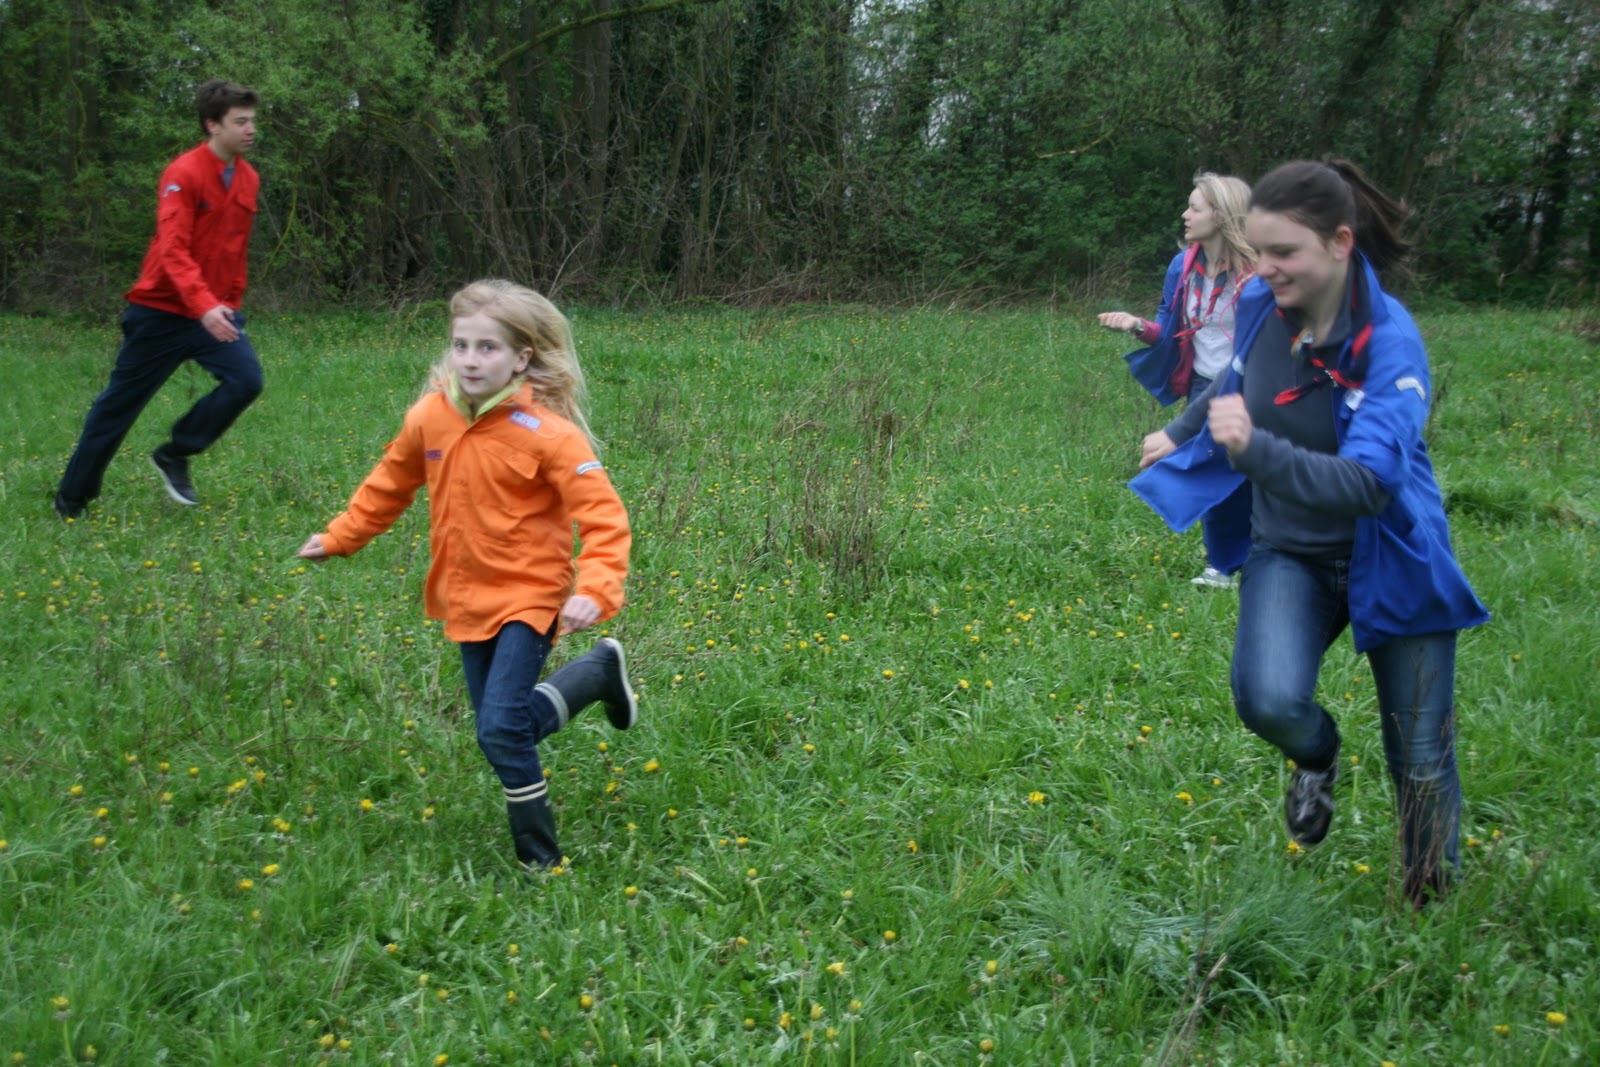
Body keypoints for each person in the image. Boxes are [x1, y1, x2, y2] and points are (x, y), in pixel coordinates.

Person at [1130, 160, 1489, 906]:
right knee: (1265, 697)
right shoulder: (1264, 302)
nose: (1264, 269)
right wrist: (1181, 428)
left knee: (1420, 756)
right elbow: (1229, 382)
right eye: (1259, 252)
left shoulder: (1389, 344)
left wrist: (1253, 449)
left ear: (1339, 243)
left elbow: (1367, 485)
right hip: (1289, 549)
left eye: (1283, 252)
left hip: (1394, 555)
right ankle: (1316, 755)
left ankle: (1431, 909)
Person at [297, 280, 635, 872]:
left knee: (501, 731)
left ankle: (541, 862)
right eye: (461, 345)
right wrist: (339, 536)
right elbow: (390, 483)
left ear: (521, 358)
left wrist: (596, 587)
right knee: (503, 727)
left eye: (488, 348)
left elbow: (604, 516)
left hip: (531, 595)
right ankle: (599, 673)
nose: (471, 360)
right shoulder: (430, 418)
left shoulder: (551, 434)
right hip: (465, 595)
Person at [55, 80, 266, 519]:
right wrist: (204, 305)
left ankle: (176, 452)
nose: (251, 130)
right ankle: (72, 499)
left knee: (246, 380)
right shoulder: (183, 173)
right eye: (240, 121)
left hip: (213, 312)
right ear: (212, 125)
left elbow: (234, 251)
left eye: (252, 121)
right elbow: (173, 249)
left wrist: (227, 304)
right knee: (118, 407)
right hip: (161, 311)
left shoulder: (248, 178)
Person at [1099, 172, 1256, 587]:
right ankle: (1222, 565)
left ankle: (1264, 558)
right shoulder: (1181, 267)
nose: (1185, 215)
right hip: (1205, 385)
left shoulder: (1258, 273)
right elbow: (1168, 330)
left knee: (1250, 469)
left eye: (1195, 207)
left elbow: (1263, 343)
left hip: (1255, 384)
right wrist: (1136, 326)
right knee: (1210, 464)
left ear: (1222, 216)